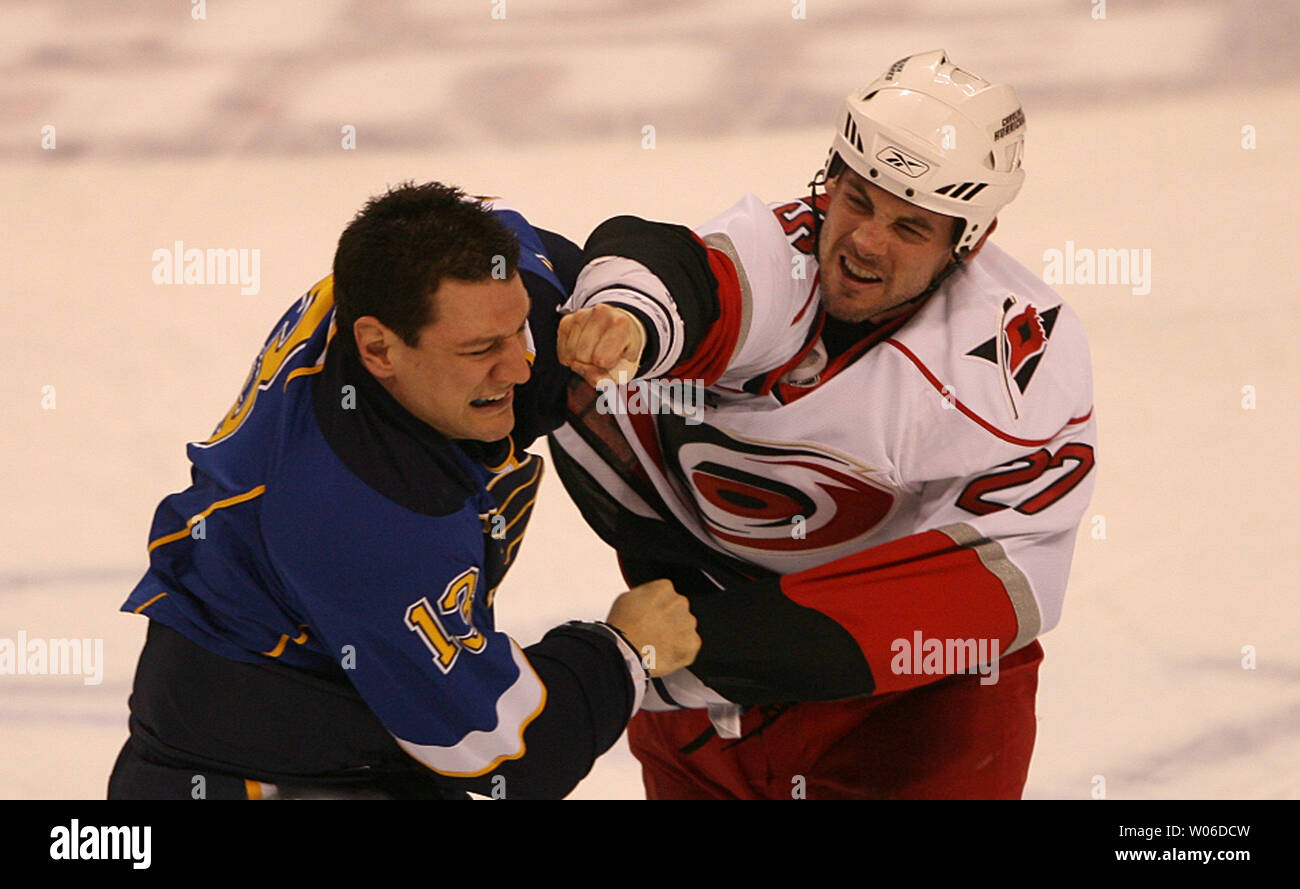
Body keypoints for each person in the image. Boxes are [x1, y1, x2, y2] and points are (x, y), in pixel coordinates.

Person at [550, 50, 1097, 799]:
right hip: (704, 683)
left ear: (967, 238)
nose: (867, 241)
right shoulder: (779, 252)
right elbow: (687, 272)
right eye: (858, 200)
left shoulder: (1012, 359)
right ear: (829, 181)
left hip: (913, 711)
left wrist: (700, 649)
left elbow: (988, 590)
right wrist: (628, 318)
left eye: (910, 225)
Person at [108, 182, 699, 800]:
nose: (520, 367)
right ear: (378, 348)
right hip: (254, 769)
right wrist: (624, 650)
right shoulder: (368, 521)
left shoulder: (449, 280)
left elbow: (496, 219)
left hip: (353, 721)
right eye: (480, 351)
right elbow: (504, 748)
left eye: (518, 329)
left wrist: (625, 314)